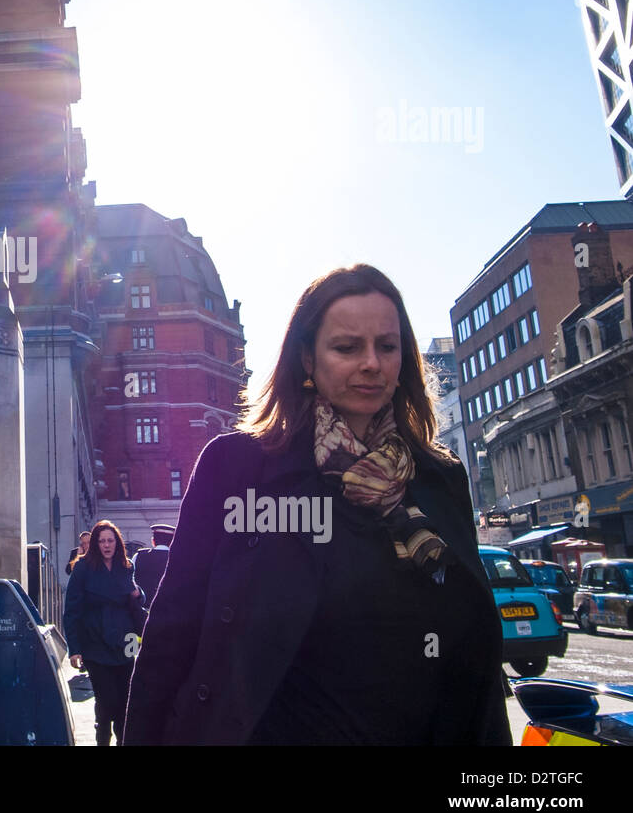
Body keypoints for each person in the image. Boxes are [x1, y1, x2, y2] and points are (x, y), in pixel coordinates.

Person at [124, 264, 511, 746]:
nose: (371, 363)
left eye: (386, 346)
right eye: (347, 347)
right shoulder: (237, 469)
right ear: (307, 359)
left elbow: (472, 662)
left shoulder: (440, 478)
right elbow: (171, 636)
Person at [65, 520, 148, 745]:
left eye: (110, 540)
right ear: (95, 544)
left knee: (124, 703)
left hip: (126, 642)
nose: (106, 545)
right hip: (95, 643)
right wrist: (74, 649)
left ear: (117, 543)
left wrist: (137, 593)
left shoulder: (126, 565)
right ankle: (103, 741)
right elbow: (72, 610)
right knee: (106, 701)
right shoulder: (83, 568)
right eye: (101, 541)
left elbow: (137, 599)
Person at [131, 524, 175, 610]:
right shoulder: (178, 559)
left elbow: (130, 583)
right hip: (169, 612)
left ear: (153, 541)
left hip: (142, 612)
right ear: (172, 542)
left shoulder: (138, 556)